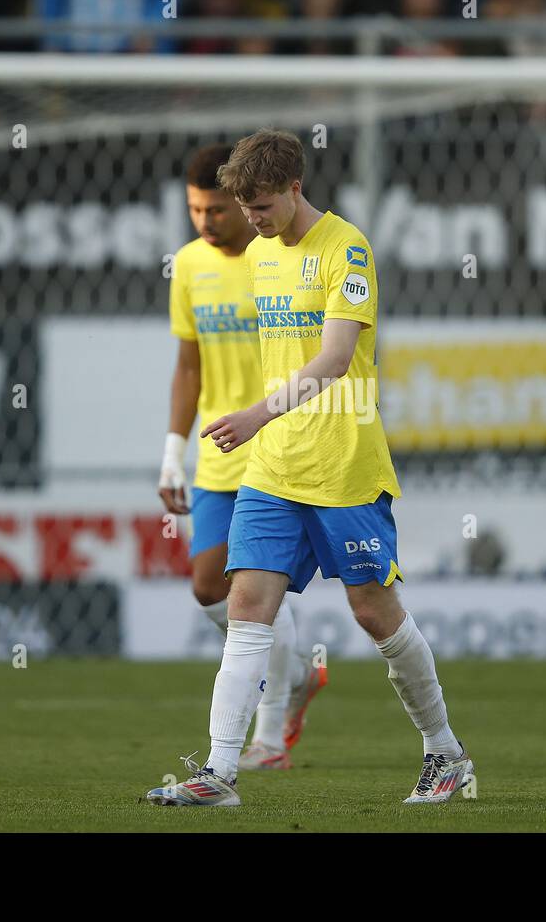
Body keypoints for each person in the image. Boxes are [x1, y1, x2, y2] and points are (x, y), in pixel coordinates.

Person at [146, 129, 470, 806]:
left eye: (262, 206)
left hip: (344, 462)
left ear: (295, 188)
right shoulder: (262, 251)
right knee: (245, 608)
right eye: (248, 208)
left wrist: (258, 413)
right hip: (273, 468)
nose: (254, 220)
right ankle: (221, 773)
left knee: (373, 611)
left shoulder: (346, 248)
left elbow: (334, 359)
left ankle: (444, 751)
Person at [161, 143, 324, 771]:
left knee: (254, 598)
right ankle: (297, 678)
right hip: (218, 447)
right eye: (195, 209)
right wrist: (171, 455)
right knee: (210, 588)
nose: (206, 221)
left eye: (217, 209)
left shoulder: (275, 257)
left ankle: (270, 735)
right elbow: (187, 365)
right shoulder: (188, 266)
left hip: (277, 441)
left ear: (246, 202)